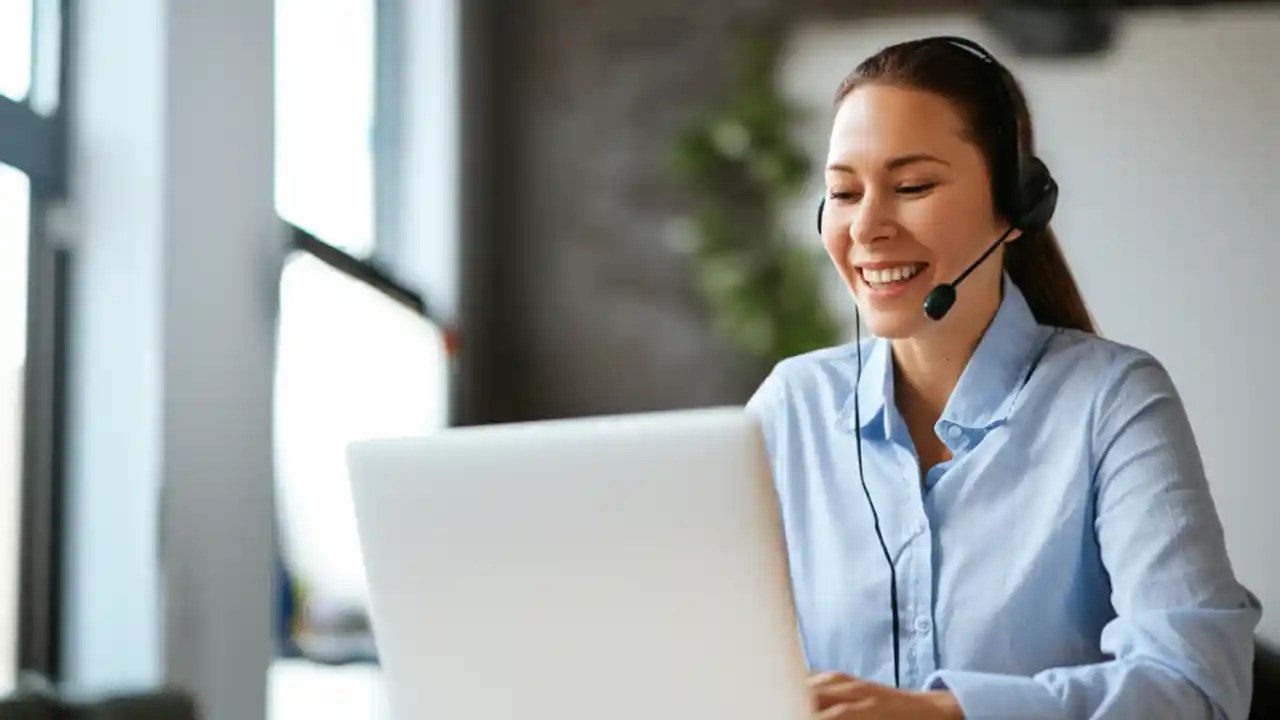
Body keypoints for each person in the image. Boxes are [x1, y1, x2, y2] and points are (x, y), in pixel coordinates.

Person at [746, 36, 1261, 719]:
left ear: (1017, 206)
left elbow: (1195, 687)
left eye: (912, 187)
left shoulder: (1110, 400)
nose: (866, 226)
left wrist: (943, 714)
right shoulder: (792, 407)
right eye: (843, 192)